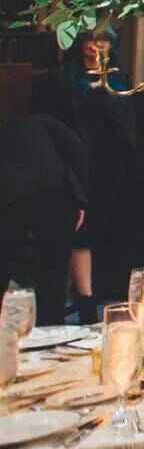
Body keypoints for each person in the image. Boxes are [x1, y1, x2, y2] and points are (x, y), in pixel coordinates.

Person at [47, 37, 138, 321]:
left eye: (102, 40)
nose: (95, 46)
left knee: (110, 226)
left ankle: (109, 290)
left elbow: (126, 123)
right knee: (79, 230)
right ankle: (82, 299)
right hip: (77, 161)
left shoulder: (119, 79)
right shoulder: (65, 79)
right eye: (89, 39)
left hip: (112, 164)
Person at [0, 113, 88, 324]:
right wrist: (81, 199)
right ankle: (51, 326)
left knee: (5, 262)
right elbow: (78, 152)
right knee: (53, 273)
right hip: (54, 196)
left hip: (12, 196)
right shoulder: (46, 124)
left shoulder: (20, 128)